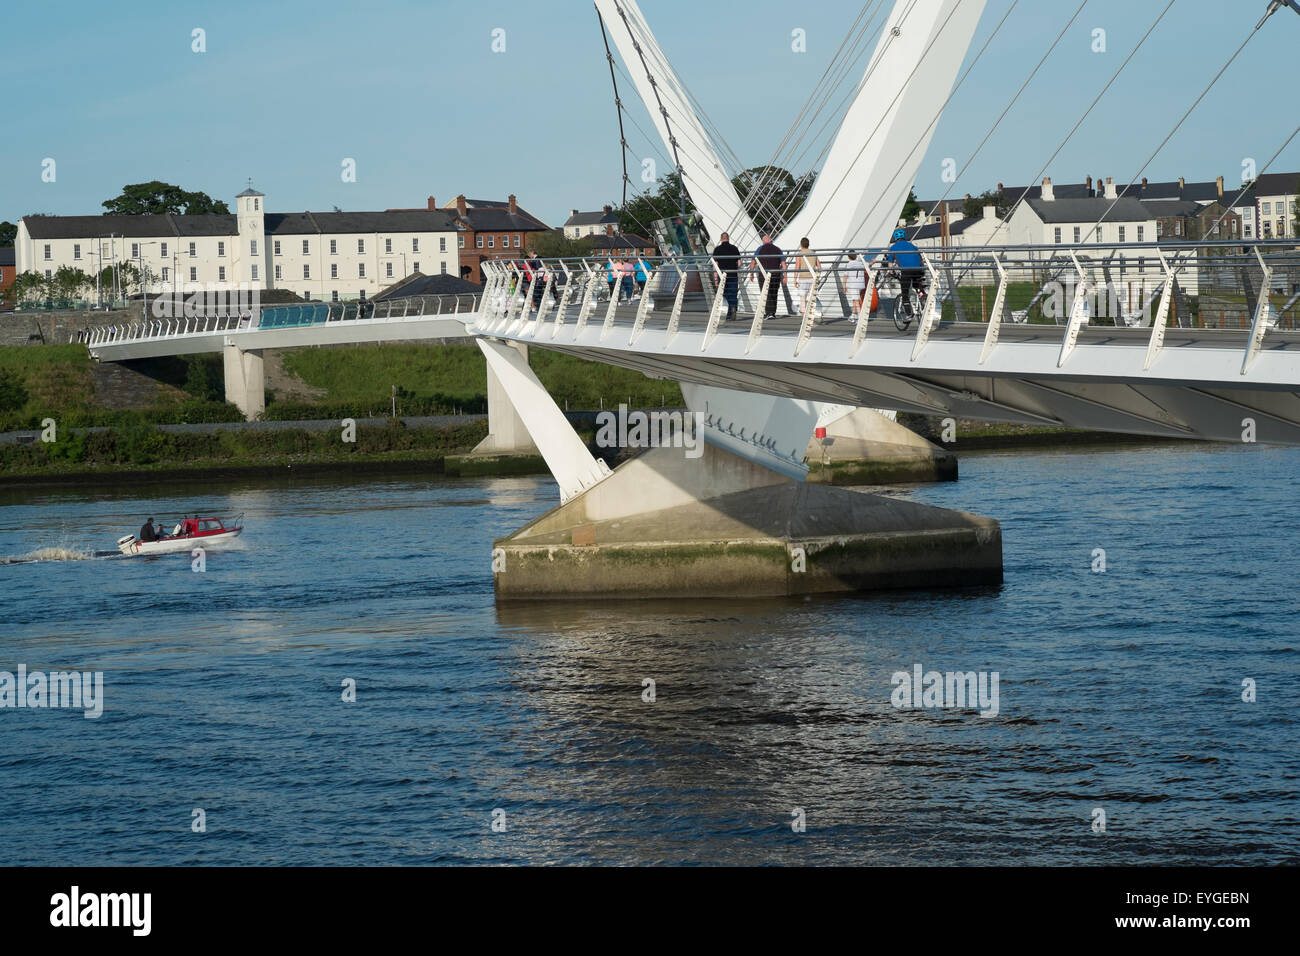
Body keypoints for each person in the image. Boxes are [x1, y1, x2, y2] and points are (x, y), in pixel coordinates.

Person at [887, 227, 925, 318]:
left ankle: (909, 314)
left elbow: (890, 264)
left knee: (905, 292)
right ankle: (922, 295)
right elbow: (920, 259)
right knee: (917, 286)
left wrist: (891, 273)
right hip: (919, 270)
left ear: (895, 238)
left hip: (906, 271)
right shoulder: (913, 246)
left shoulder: (893, 248)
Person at [752, 235, 784, 319]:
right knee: (774, 292)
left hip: (764, 274)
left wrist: (751, 274)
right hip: (776, 274)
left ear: (763, 241)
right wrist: (785, 276)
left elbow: (753, 262)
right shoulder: (778, 249)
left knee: (766, 292)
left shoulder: (760, 249)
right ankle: (773, 313)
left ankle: (768, 312)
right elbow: (784, 264)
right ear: (770, 240)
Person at [711, 232, 741, 321]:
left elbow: (715, 266)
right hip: (733, 274)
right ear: (728, 238)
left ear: (721, 239)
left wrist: (716, 279)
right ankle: (732, 309)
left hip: (722, 275)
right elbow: (739, 263)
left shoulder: (717, 250)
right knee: (733, 293)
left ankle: (731, 310)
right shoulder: (734, 248)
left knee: (725, 293)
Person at [791, 238, 821, 318]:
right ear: (808, 244)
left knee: (802, 299)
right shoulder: (813, 253)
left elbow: (797, 267)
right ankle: (813, 314)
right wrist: (818, 275)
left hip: (803, 278)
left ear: (801, 245)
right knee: (812, 298)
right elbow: (819, 266)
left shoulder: (799, 254)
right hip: (812, 278)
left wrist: (795, 279)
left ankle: (804, 317)